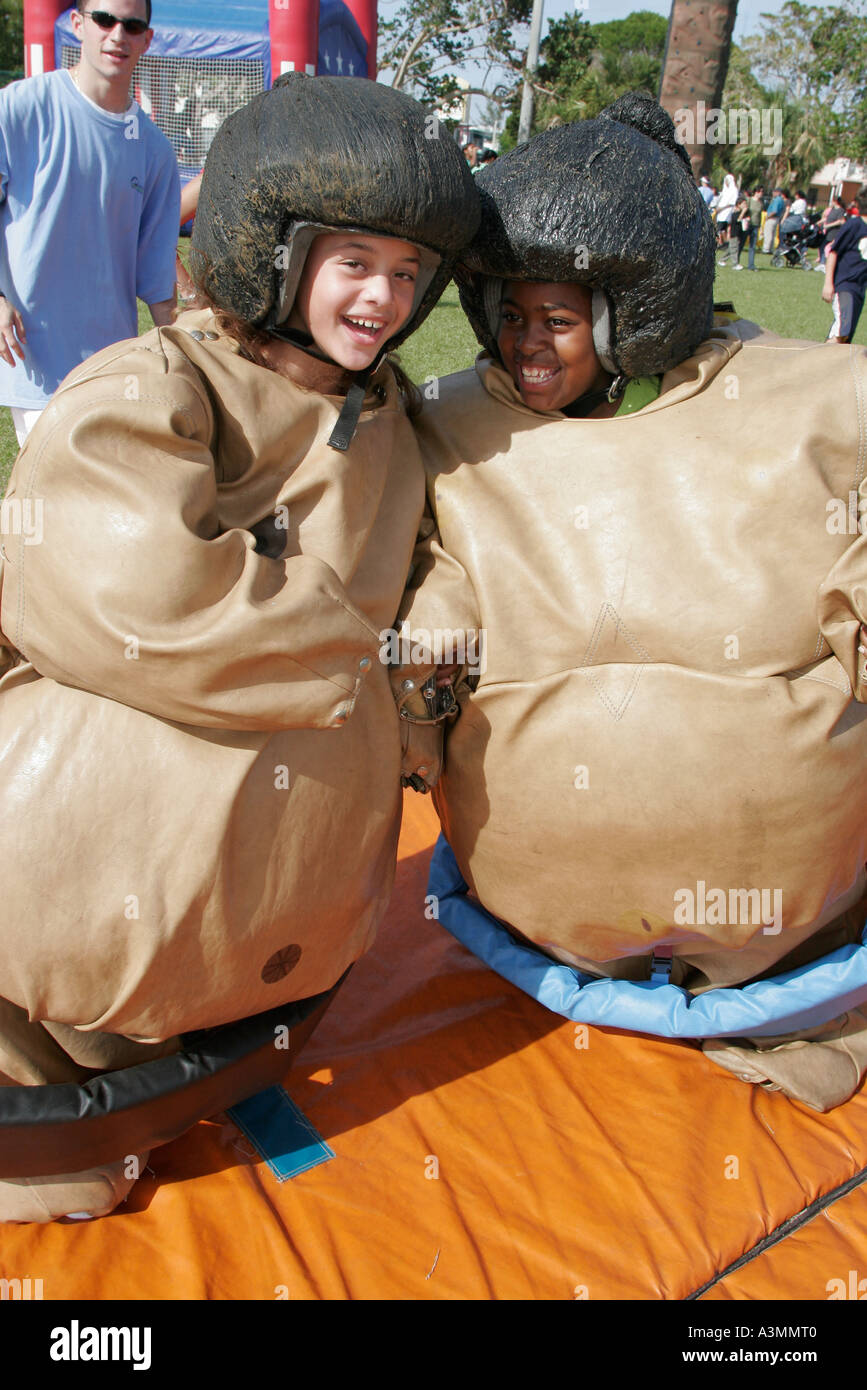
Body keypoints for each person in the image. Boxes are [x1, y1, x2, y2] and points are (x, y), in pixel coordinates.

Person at [0, 73, 479, 1222]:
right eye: (356, 260)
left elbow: (434, 561)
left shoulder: (393, 418)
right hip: (100, 855)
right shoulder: (159, 388)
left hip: (279, 888)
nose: (383, 298)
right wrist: (358, 655)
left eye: (409, 275)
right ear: (276, 243)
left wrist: (431, 638)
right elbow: (142, 599)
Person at [399, 94, 867, 1114]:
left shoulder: (810, 408)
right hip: (532, 920)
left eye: (558, 321)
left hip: (787, 935)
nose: (528, 344)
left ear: (635, 313)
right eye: (510, 315)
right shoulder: (456, 429)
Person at [0, 0, 180, 446]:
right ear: (78, 25)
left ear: (147, 40)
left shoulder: (156, 152)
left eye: (133, 25)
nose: (117, 34)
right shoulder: (19, 109)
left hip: (116, 369)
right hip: (35, 365)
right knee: (56, 503)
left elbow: (159, 285)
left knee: (106, 508)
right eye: (104, 19)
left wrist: (193, 358)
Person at [823, 185, 867, 342]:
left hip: (859, 289)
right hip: (845, 286)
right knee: (842, 332)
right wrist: (828, 284)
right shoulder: (853, 225)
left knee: (846, 336)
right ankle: (818, 361)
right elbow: (833, 253)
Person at [763, 186, 786, 252]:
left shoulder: (776, 200)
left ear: (778, 192)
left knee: (768, 233)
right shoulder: (781, 200)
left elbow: (774, 211)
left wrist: (768, 217)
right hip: (777, 219)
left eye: (774, 192)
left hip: (772, 218)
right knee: (772, 234)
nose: (773, 193)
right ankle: (770, 248)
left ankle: (766, 248)